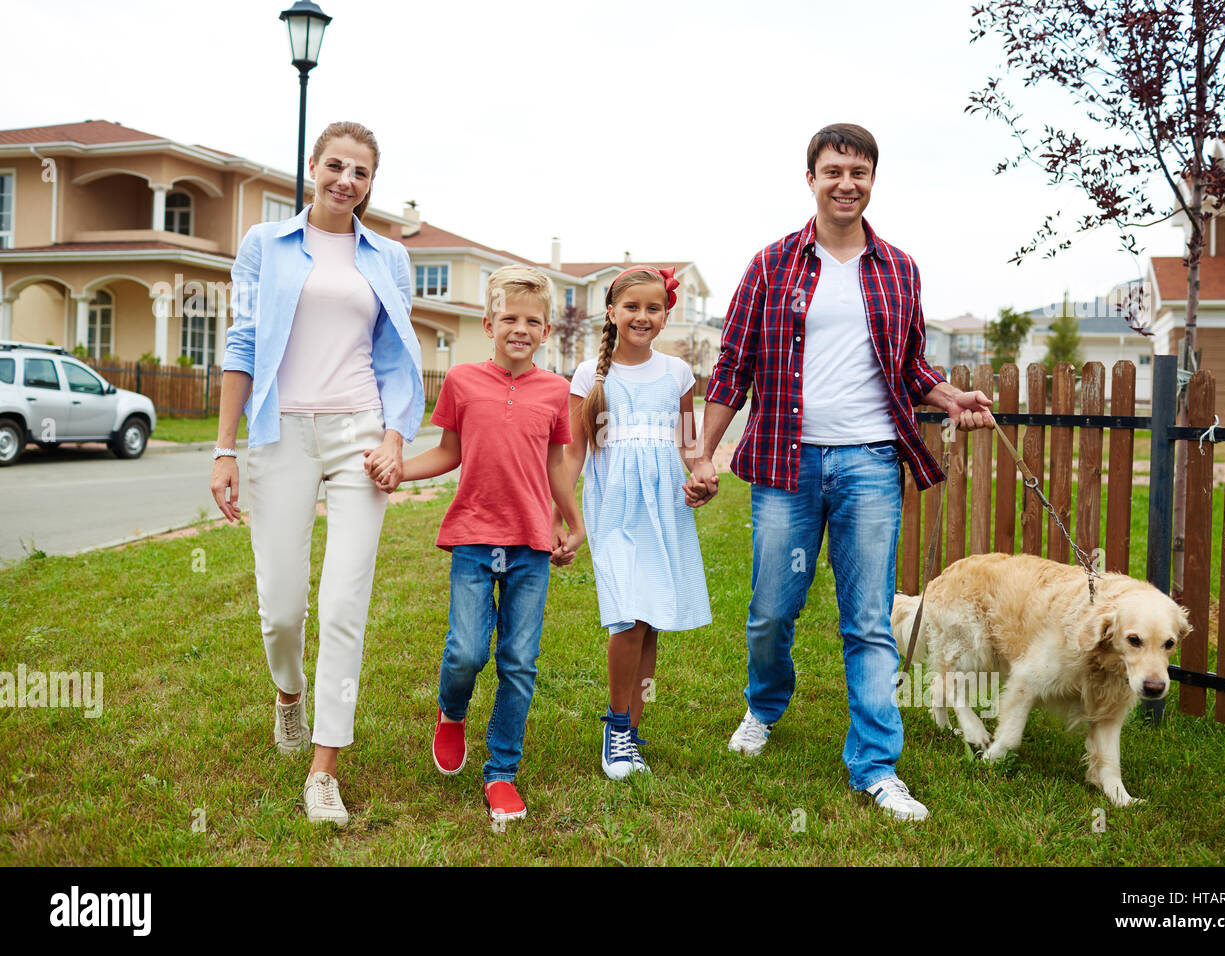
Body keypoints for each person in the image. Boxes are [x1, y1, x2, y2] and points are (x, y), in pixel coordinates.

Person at [685, 123, 994, 822]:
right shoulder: (772, 265)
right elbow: (733, 367)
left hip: (870, 463)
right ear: (812, 179)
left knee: (868, 621)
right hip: (786, 462)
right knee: (771, 611)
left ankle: (877, 765)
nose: (846, 182)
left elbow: (909, 365)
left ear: (872, 179)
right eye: (833, 171)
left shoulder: (899, 269)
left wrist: (951, 397)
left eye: (858, 171)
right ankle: (763, 708)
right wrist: (703, 453)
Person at [209, 121, 424, 826]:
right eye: (336, 166)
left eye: (361, 172)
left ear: (370, 183)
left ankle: (325, 767)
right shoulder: (262, 246)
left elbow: (399, 357)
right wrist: (224, 448)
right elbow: (241, 342)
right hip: (279, 432)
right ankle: (288, 695)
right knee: (283, 609)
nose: (346, 181)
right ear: (312, 166)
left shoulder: (389, 257)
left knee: (343, 605)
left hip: (360, 433)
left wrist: (394, 440)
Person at [383, 264, 583, 825]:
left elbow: (554, 466)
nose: (520, 328)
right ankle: (452, 712)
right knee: (468, 651)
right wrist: (399, 470)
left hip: (531, 545)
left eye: (533, 321)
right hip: (473, 537)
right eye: (510, 318)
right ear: (488, 322)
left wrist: (574, 523)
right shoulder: (462, 382)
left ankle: (501, 774)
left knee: (519, 662)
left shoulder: (555, 389)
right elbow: (449, 452)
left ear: (546, 331)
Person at [560, 267, 712, 780]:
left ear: (666, 314)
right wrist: (568, 519)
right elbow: (571, 457)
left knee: (648, 621)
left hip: (665, 509)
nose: (642, 317)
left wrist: (701, 476)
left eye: (653, 308)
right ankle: (617, 725)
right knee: (626, 616)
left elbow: (691, 444)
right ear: (612, 312)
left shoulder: (676, 373)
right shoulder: (589, 376)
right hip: (615, 511)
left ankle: (632, 732)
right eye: (632, 307)